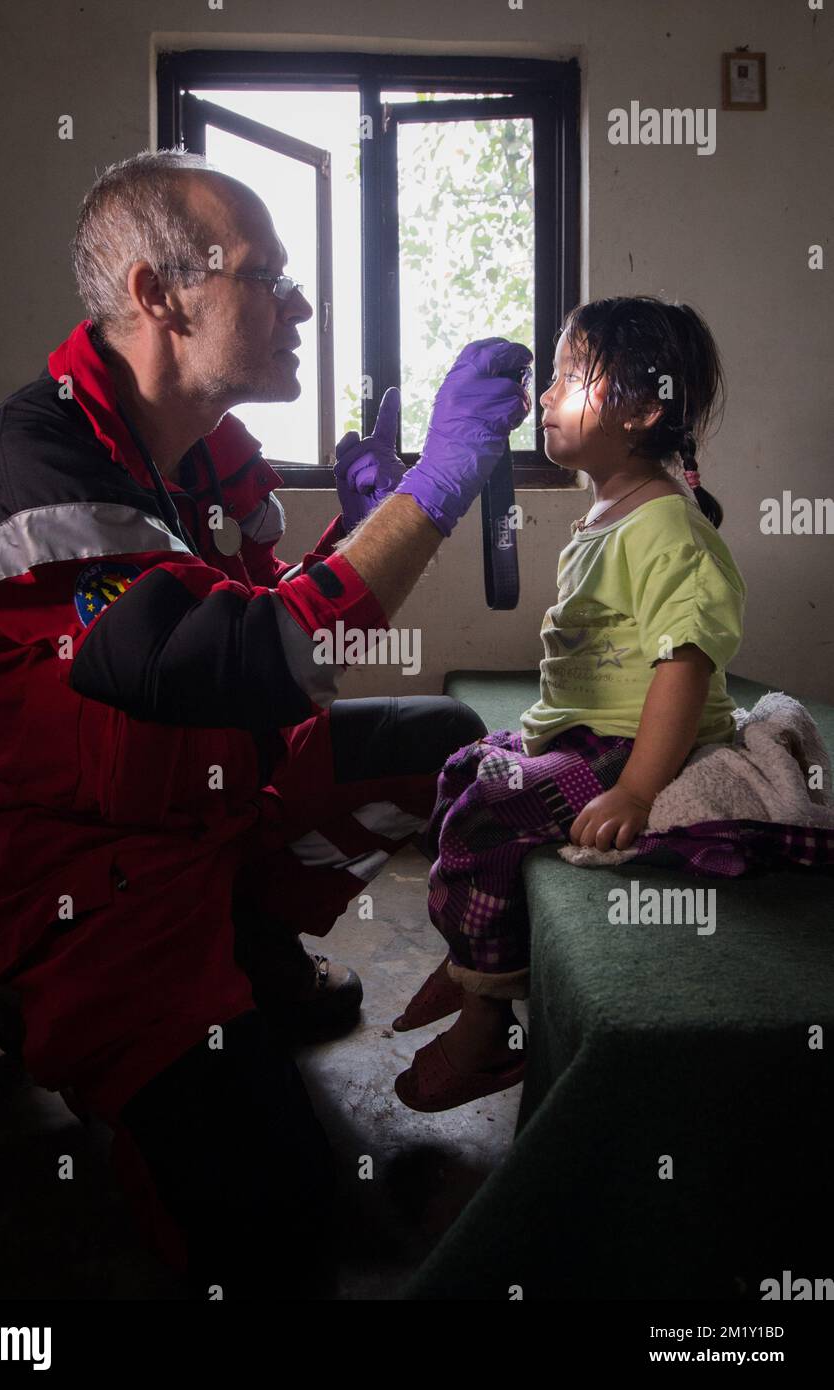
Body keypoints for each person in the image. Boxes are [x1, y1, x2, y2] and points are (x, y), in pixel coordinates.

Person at [0, 149, 532, 1295]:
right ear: (159, 294)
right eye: (270, 277)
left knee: (444, 743)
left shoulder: (212, 449)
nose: (299, 304)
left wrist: (347, 538)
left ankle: (250, 940)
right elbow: (228, 660)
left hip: (228, 803)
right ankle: (39, 977)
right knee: (275, 1228)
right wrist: (428, 495)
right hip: (110, 871)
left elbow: (249, 612)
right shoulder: (23, 470)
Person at [393, 295, 747, 1114]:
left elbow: (683, 667)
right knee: (460, 769)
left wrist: (637, 791)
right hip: (587, 730)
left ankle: (488, 1019)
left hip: (634, 744)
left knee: (486, 811)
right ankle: (472, 959)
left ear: (644, 408)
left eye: (567, 378)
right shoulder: (607, 510)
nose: (545, 398)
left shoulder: (669, 529)